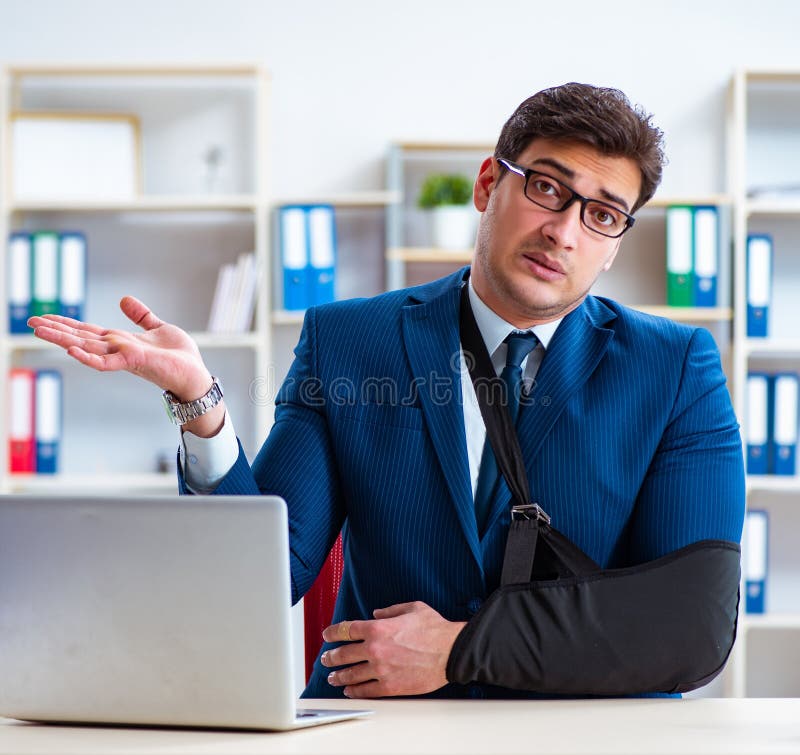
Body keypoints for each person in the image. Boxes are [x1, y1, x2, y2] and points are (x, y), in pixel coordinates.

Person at [29, 82, 745, 701]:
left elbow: (691, 620)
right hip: (379, 725)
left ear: (616, 238)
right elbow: (258, 579)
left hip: (581, 728)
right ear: (489, 184)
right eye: (548, 187)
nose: (564, 232)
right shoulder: (348, 342)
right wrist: (202, 407)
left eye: (602, 213)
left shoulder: (677, 366)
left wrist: (461, 649)